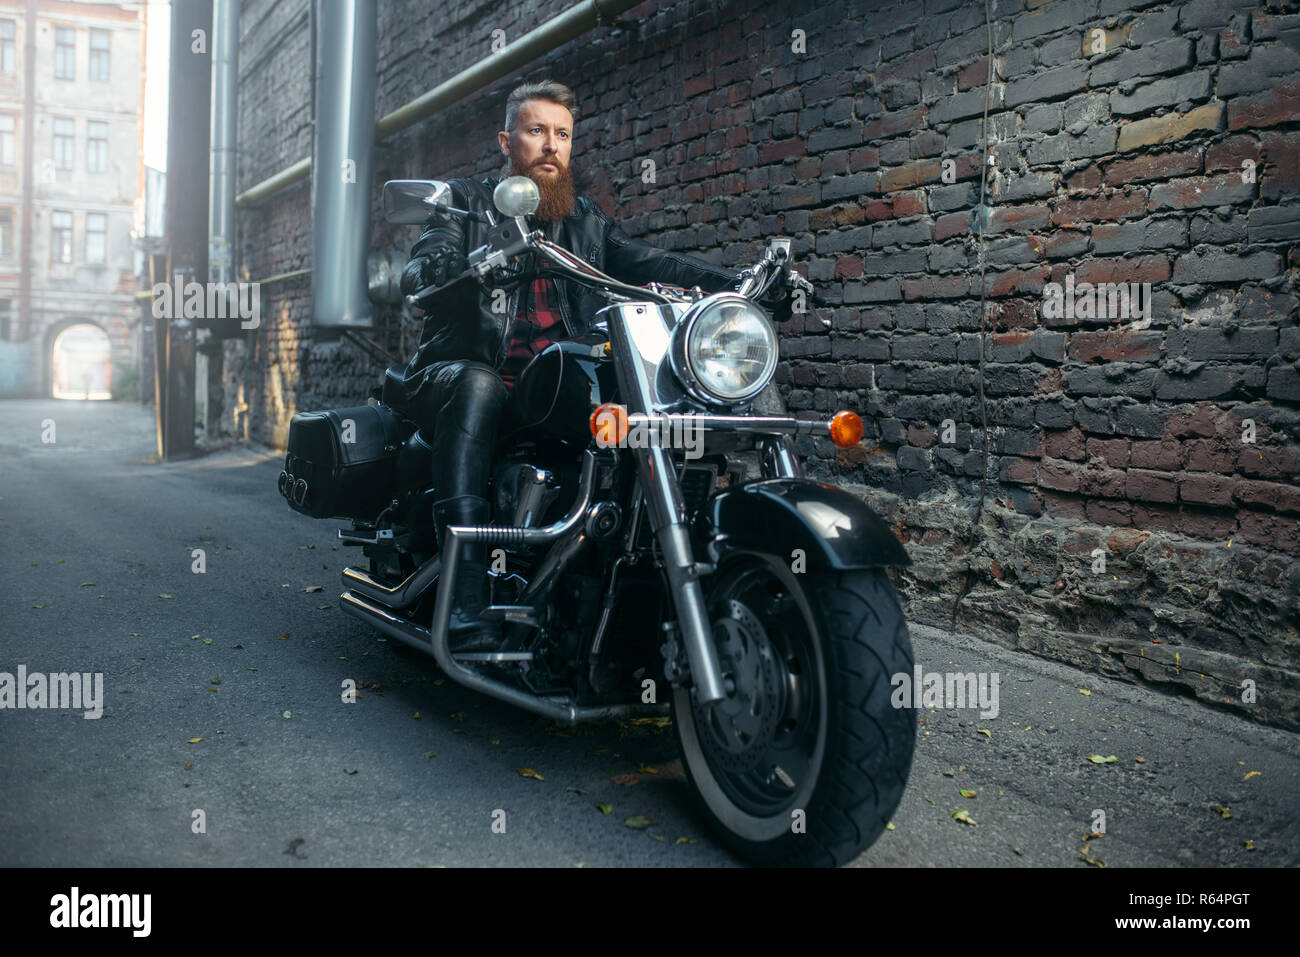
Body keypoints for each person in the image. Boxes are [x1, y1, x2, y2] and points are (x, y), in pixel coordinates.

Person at [399, 80, 754, 652]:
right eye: (536, 130)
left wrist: (734, 285)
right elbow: (418, 274)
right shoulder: (464, 202)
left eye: (562, 135)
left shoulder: (585, 221)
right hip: (458, 373)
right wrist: (460, 265)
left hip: (548, 385)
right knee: (480, 385)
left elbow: (645, 261)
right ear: (506, 141)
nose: (550, 145)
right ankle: (463, 593)